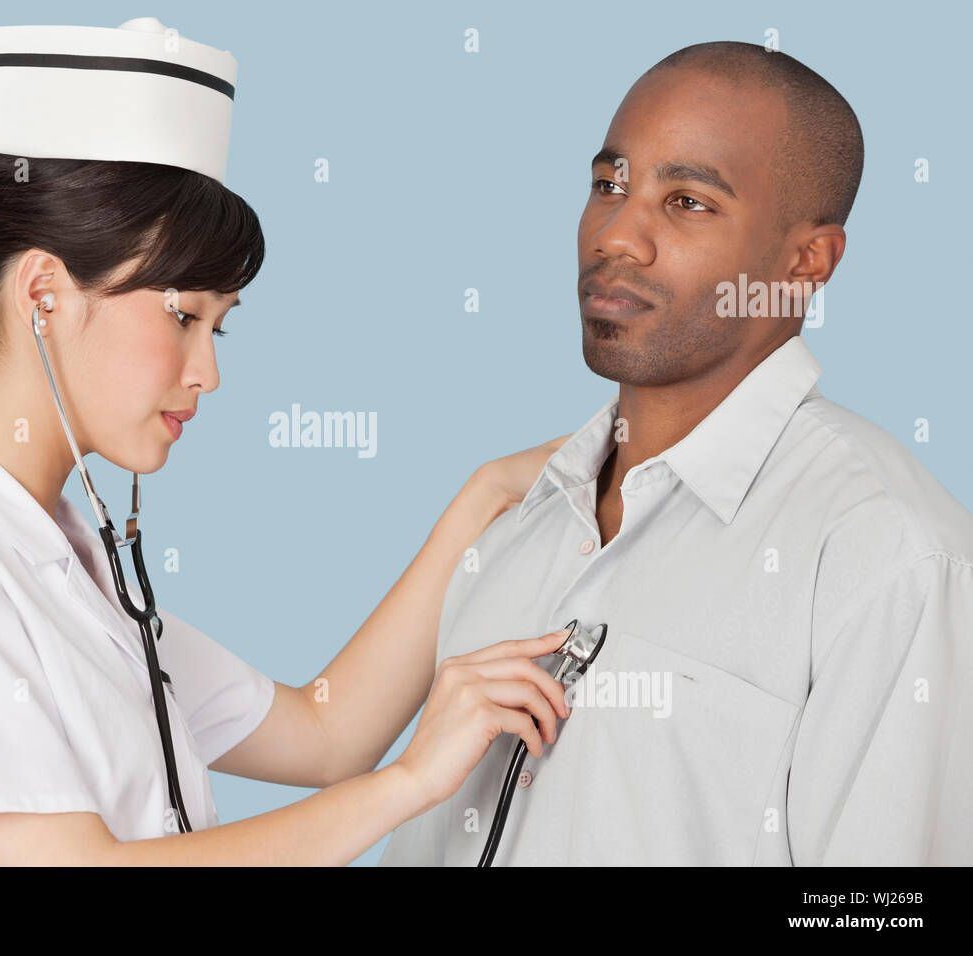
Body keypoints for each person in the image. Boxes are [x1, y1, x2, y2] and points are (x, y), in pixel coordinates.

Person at [0, 18, 573, 867]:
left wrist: (488, 495)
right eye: (182, 316)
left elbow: (325, 732)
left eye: (220, 328)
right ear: (44, 293)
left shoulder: (67, 565)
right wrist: (410, 783)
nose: (207, 373)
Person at [380, 41, 973, 867]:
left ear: (806, 262)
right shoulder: (517, 521)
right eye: (607, 185)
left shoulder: (890, 556)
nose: (618, 235)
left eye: (687, 202)